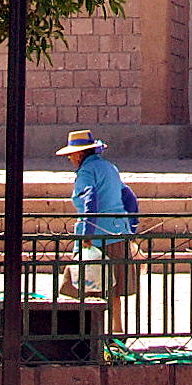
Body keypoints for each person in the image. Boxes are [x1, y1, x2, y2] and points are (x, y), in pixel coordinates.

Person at [56, 129, 137, 331]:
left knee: (86, 288)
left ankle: (90, 334)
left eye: (71, 155)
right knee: (114, 290)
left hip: (97, 239)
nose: (70, 159)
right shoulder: (110, 168)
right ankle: (117, 331)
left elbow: (90, 200)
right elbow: (129, 197)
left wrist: (87, 234)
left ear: (79, 154)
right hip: (119, 234)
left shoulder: (85, 172)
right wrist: (132, 227)